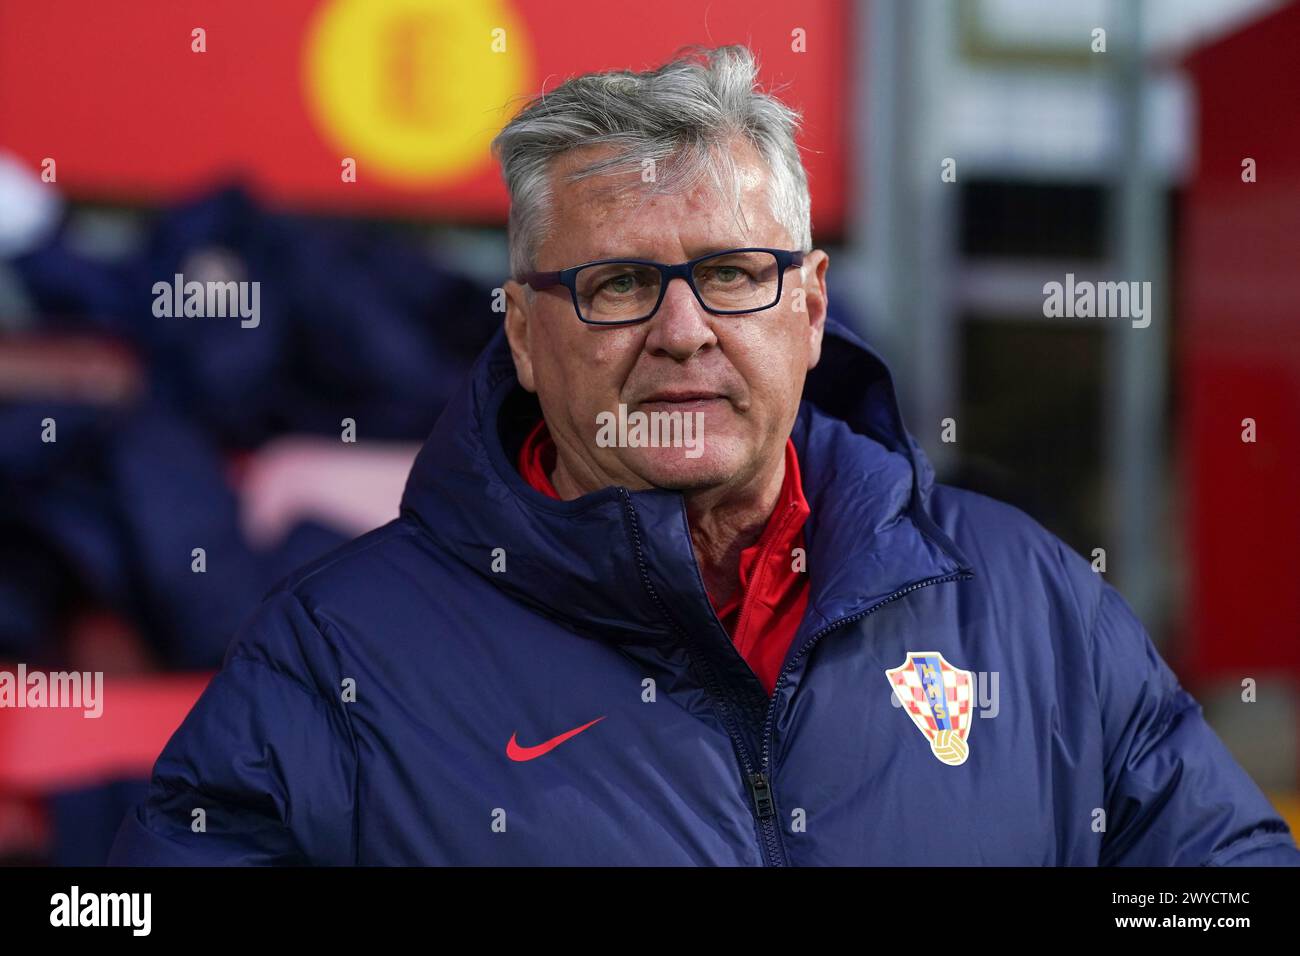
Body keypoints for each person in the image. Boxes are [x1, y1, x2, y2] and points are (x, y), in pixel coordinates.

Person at [109, 44, 1299, 866]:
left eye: (733, 274)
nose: (683, 332)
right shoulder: (335, 657)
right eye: (618, 283)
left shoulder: (1026, 599)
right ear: (523, 331)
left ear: (813, 304)